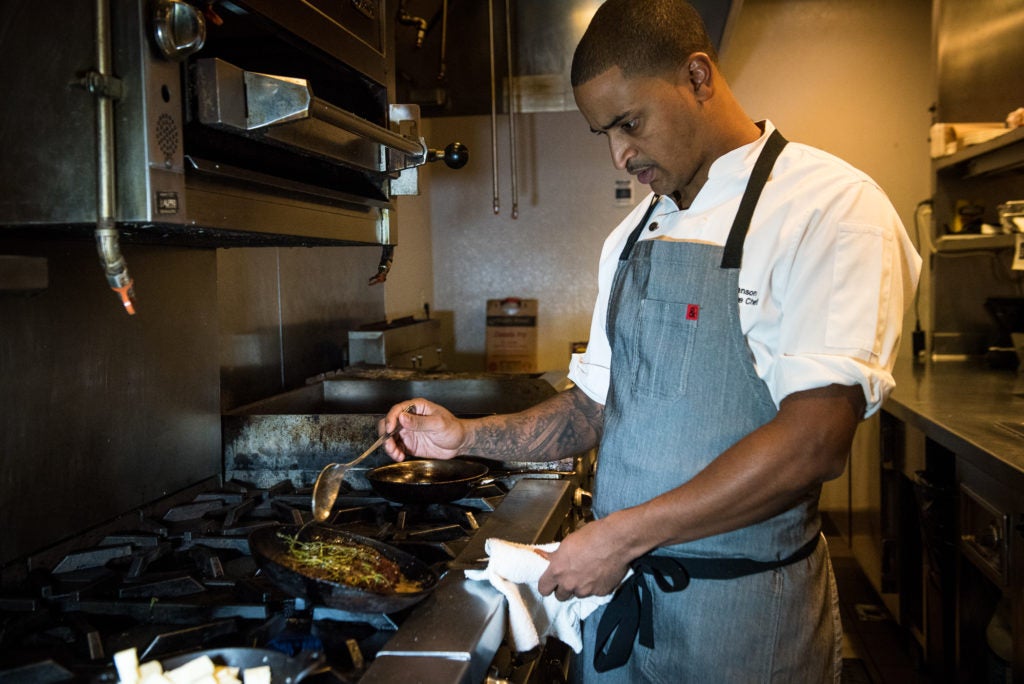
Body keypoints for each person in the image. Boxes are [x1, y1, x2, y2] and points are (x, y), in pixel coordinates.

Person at [380, 0, 922, 680]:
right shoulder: (633, 234)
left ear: (698, 77)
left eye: (630, 123)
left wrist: (620, 535)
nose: (620, 154)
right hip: (624, 618)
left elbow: (815, 442)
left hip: (744, 621)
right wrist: (465, 436)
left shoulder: (830, 209)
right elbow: (594, 407)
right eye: (603, 132)